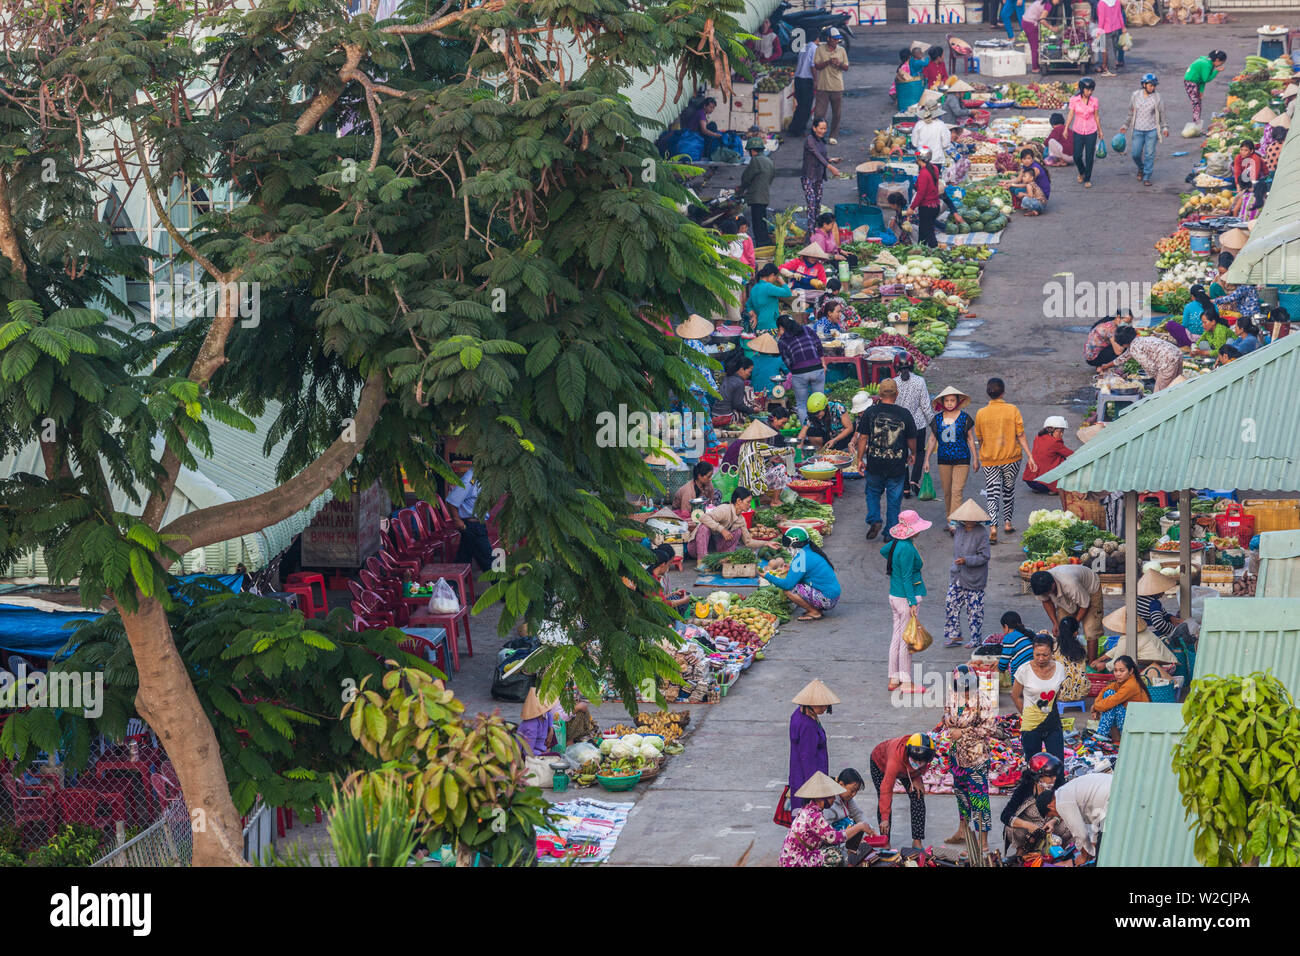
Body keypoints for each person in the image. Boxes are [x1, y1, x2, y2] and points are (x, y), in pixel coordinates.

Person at [852, 378, 917, 541]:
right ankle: (890, 533)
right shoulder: (905, 414)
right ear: (897, 394)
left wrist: (860, 459)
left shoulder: (870, 412)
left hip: (875, 463)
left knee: (872, 492)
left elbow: (863, 438)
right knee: (894, 499)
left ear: (879, 394)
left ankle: (874, 519)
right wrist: (913, 453)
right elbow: (911, 439)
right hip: (896, 465)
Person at [972, 377, 1035, 544]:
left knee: (992, 493)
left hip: (990, 459)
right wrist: (1030, 455)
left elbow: (980, 438)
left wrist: (981, 455)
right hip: (1011, 458)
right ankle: (1007, 523)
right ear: (1003, 392)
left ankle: (993, 526)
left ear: (988, 393)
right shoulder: (1012, 409)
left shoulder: (981, 413)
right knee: (1008, 490)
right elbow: (1020, 435)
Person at [942, 665, 996, 853]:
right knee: (961, 794)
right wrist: (951, 729)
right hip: (957, 756)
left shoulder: (983, 699)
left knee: (979, 799)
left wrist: (962, 732)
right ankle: (963, 830)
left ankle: (982, 841)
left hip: (976, 758)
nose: (965, 692)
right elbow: (947, 717)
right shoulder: (952, 696)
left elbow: (989, 728)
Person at [780, 772, 876, 867]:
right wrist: (859, 827)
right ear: (821, 798)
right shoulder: (814, 815)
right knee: (835, 856)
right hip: (795, 860)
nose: (834, 799)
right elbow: (833, 838)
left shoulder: (809, 808)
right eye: (831, 796)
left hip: (793, 856)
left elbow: (857, 814)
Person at [882, 510, 929, 692]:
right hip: (905, 597)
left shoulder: (897, 544)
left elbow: (883, 550)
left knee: (896, 638)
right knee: (906, 641)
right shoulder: (907, 548)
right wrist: (912, 603)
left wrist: (896, 563)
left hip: (894, 595)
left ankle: (894, 678)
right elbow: (907, 577)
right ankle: (907, 682)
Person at [924, 385, 978, 532]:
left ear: (957, 401)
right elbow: (932, 440)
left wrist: (975, 459)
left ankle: (954, 521)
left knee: (956, 491)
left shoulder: (965, 418)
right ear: (942, 402)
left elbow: (970, 439)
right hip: (943, 460)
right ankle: (950, 519)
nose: (949, 403)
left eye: (952, 400)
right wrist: (927, 459)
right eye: (946, 400)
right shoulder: (937, 419)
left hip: (962, 459)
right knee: (947, 492)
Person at [1012, 633, 1067, 772]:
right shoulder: (1023, 670)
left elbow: (1058, 693)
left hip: (1053, 722)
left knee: (1057, 765)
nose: (1041, 659)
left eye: (1045, 655)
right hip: (1031, 725)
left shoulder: (1060, 669)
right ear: (1033, 652)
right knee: (1034, 766)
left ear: (1052, 653)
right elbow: (1015, 695)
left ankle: (1056, 792)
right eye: (1037, 655)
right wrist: (1026, 713)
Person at [763, 526, 842, 621]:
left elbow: (787, 585)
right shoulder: (809, 550)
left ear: (795, 542)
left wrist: (766, 575)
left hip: (827, 599)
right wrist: (790, 568)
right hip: (833, 596)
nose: (787, 547)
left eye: (788, 543)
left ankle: (814, 612)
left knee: (789, 590)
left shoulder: (801, 558)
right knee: (796, 583)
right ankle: (817, 609)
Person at [871, 732, 935, 848]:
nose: (918, 764)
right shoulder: (894, 761)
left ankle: (917, 841)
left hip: (906, 770)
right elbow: (886, 790)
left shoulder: (925, 755)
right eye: (915, 761)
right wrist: (884, 818)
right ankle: (885, 841)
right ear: (909, 753)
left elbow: (920, 767)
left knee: (918, 796)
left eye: (921, 762)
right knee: (883, 801)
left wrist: (916, 776)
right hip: (880, 763)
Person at [943, 499, 991, 648]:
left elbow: (984, 556)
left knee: (974, 610)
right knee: (951, 603)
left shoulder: (981, 532)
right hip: (957, 576)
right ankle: (954, 636)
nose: (968, 521)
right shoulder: (959, 529)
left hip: (974, 579)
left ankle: (975, 639)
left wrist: (966, 560)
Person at [1001, 752, 1068, 857]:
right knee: (1011, 827)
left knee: (1069, 825)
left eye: (1055, 775)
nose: (1054, 779)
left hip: (1051, 827)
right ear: (1038, 777)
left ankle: (1059, 854)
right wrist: (1028, 826)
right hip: (1029, 829)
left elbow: (1068, 809)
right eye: (1050, 776)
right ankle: (1021, 851)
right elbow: (1005, 815)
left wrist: (1054, 821)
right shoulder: (1025, 788)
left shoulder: (1059, 785)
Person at [1030, 563, 1104, 658]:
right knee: (1063, 629)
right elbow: (1046, 601)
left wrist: (1074, 625)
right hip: (1069, 593)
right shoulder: (1039, 585)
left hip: (1090, 589)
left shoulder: (1070, 584)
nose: (1045, 595)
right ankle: (1069, 659)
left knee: (1091, 630)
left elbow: (1085, 604)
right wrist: (1055, 623)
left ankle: (1091, 664)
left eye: (1046, 593)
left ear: (1052, 586)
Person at [1037, 772, 1112, 864]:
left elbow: (1080, 833)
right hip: (1111, 795)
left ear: (1050, 806)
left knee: (1104, 853)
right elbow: (1091, 822)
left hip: (1110, 799)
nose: (1057, 816)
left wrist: (1083, 857)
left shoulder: (1061, 803)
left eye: (1052, 815)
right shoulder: (1064, 792)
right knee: (1102, 846)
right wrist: (1092, 845)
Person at [788, 679, 837, 810]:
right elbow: (808, 758)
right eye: (821, 705)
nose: (824, 708)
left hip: (801, 774)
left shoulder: (799, 714)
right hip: (808, 778)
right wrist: (816, 791)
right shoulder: (807, 725)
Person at [690, 486, 760, 570]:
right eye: (748, 502)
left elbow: (748, 542)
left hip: (714, 548)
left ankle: (722, 558)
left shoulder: (741, 520)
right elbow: (703, 517)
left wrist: (767, 544)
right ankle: (701, 562)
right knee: (704, 527)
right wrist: (722, 529)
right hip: (697, 548)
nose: (749, 505)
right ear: (738, 501)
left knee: (737, 531)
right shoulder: (724, 509)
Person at [776, 314, 826, 422]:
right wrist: (823, 363)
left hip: (799, 372)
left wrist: (796, 371)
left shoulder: (782, 341)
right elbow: (819, 346)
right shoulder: (806, 329)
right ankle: (821, 429)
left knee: (802, 405)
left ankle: (807, 433)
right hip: (817, 369)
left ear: (781, 328)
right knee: (820, 401)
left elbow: (787, 362)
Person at [893, 356, 932, 498]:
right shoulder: (920, 381)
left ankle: (905, 488)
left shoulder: (894, 383)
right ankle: (915, 480)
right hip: (918, 424)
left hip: (900, 426)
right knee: (919, 452)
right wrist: (933, 424)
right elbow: (926, 406)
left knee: (902, 454)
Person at [1120, 73, 1168, 186]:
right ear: (1144, 84)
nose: (1153, 88)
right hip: (1137, 129)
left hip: (1152, 130)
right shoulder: (1135, 95)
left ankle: (1147, 176)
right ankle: (1141, 168)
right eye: (1151, 85)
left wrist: (1165, 127)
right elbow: (1130, 112)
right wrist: (1125, 126)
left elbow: (1162, 114)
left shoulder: (1158, 97)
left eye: (1154, 85)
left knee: (1149, 154)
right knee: (1135, 154)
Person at [1093, 606, 1177, 670]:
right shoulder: (1142, 631)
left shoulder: (1126, 638)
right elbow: (1119, 648)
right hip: (1167, 660)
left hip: (1159, 664)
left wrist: (1104, 665)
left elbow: (1116, 660)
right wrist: (1101, 658)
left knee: (1121, 667)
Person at [445, 460, 493, 571]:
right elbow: (452, 501)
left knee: (462, 560)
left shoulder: (480, 478)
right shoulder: (469, 479)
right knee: (489, 560)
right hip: (473, 526)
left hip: (477, 524)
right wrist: (457, 520)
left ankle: (453, 585)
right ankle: (501, 586)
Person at [909, 146, 962, 247]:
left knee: (929, 233)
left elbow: (921, 193)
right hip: (935, 206)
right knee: (923, 232)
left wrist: (912, 207)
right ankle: (921, 250)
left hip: (926, 207)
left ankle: (937, 251)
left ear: (919, 159)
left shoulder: (924, 173)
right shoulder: (934, 168)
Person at [1090, 653, 1150, 741]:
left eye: (1122, 671)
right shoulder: (1122, 682)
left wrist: (1095, 707)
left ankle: (1101, 735)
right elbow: (1104, 691)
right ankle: (1107, 736)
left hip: (1137, 724)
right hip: (1129, 718)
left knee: (1112, 702)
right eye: (1115, 670)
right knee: (1109, 693)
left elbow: (1112, 701)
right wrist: (1095, 706)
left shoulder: (1131, 685)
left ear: (1130, 671)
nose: (1118, 674)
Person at [1103, 326, 1183, 391]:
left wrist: (1157, 379)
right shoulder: (1139, 340)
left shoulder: (1134, 349)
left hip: (1167, 362)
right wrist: (1107, 366)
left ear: (1122, 343)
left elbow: (1149, 366)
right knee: (1176, 385)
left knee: (1159, 393)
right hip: (1177, 354)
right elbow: (1123, 357)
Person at [518, 689, 590, 755]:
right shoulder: (531, 725)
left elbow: (549, 716)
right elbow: (528, 752)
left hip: (542, 746)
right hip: (532, 753)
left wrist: (551, 729)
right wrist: (543, 753)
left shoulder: (544, 715)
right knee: (556, 756)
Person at [801, 118, 841, 235]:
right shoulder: (809, 140)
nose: (823, 131)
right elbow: (816, 155)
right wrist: (830, 167)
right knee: (811, 205)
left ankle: (818, 231)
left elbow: (822, 157)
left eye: (825, 128)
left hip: (819, 177)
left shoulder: (821, 141)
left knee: (818, 205)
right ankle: (812, 234)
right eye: (821, 128)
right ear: (814, 128)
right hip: (808, 176)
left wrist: (831, 160)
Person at [1022, 415, 1073, 508]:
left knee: (1052, 457)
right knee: (1061, 459)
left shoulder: (1038, 437)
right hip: (1044, 483)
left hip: (1030, 481)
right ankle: (1052, 488)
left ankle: (1039, 488)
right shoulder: (1056, 443)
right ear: (1050, 430)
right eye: (1059, 432)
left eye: (1062, 432)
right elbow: (1070, 454)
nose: (1061, 434)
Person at [813, 28, 849, 143]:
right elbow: (817, 66)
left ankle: (833, 135)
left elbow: (846, 67)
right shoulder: (820, 50)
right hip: (823, 87)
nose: (836, 41)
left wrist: (839, 64)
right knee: (819, 113)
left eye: (837, 39)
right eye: (834, 39)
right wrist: (828, 62)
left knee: (836, 113)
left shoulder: (841, 50)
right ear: (828, 39)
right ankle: (817, 135)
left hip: (837, 86)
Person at [1065, 77, 1101, 188]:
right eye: (1087, 90)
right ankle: (1081, 171)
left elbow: (1096, 116)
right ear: (1082, 89)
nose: (1089, 92)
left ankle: (1087, 178)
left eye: (1091, 90)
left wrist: (1100, 131)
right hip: (1078, 131)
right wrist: (1066, 128)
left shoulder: (1094, 101)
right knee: (1077, 156)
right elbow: (1071, 114)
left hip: (1091, 131)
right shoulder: (1074, 100)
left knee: (1090, 156)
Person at [739, 138, 775, 246]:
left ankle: (761, 244)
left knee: (757, 222)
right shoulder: (769, 161)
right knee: (762, 220)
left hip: (756, 196)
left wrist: (741, 189)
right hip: (764, 195)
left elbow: (747, 177)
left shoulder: (756, 160)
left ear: (753, 150)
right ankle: (765, 241)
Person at [711, 354, 763, 423]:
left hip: (715, 414)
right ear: (741, 369)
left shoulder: (727, 378)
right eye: (749, 372)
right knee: (746, 411)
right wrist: (752, 410)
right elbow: (738, 405)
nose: (749, 374)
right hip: (726, 416)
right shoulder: (739, 382)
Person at [744, 264, 794, 333]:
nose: (775, 280)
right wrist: (782, 281)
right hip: (770, 326)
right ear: (772, 275)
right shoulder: (769, 287)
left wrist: (754, 315)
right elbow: (788, 293)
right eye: (776, 277)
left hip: (759, 327)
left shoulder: (755, 288)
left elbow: (748, 305)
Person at [1183, 51, 1227, 129]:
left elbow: (1202, 79)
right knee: (1196, 104)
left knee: (1198, 103)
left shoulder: (1209, 62)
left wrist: (1201, 91)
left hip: (1196, 82)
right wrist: (1217, 71)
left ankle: (1197, 124)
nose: (1221, 65)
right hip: (1191, 82)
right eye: (1221, 62)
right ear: (1217, 60)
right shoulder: (1207, 65)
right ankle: (1196, 125)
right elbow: (1206, 79)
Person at [1054, 616, 1090, 703]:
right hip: (1082, 692)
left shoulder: (1054, 649)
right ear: (1076, 633)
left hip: (1061, 694)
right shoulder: (1082, 649)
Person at [789, 31, 818, 137]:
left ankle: (793, 127)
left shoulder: (803, 47)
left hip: (798, 78)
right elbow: (812, 66)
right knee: (806, 107)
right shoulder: (814, 48)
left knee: (800, 105)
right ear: (817, 39)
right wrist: (816, 80)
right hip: (807, 80)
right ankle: (799, 130)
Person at [910, 103, 953, 170]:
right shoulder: (941, 125)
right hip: (936, 160)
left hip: (921, 160)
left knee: (923, 178)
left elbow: (914, 144)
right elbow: (945, 144)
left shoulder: (919, 124)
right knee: (934, 179)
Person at [998, 611, 1037, 676]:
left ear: (1006, 627)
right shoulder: (1027, 632)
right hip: (1034, 672)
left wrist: (998, 668)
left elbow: (1003, 664)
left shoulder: (1009, 637)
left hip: (1020, 676)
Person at [1015, 148, 1051, 215]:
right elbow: (1018, 180)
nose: (1026, 161)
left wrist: (1013, 185)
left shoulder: (1035, 169)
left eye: (1029, 158)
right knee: (1017, 190)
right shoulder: (1025, 167)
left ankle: (1033, 207)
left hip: (1042, 197)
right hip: (1036, 194)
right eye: (1024, 159)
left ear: (1032, 159)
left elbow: (1026, 186)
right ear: (1021, 160)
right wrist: (1006, 182)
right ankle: (1033, 210)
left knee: (1021, 194)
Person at [1021, 0, 1052, 73]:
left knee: (1035, 45)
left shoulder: (1043, 1)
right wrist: (1051, 28)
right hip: (1030, 24)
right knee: (1034, 47)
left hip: (1026, 21)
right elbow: (1042, 20)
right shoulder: (1048, 5)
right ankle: (1035, 68)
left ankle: (1036, 65)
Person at [1096, 0, 1124, 74]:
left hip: (1107, 30)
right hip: (1116, 28)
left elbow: (1101, 19)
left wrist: (1099, 31)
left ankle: (1112, 70)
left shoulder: (1101, 3)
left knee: (1109, 50)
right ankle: (1111, 67)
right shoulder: (1117, 1)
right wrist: (1123, 27)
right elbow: (1120, 15)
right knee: (1114, 49)